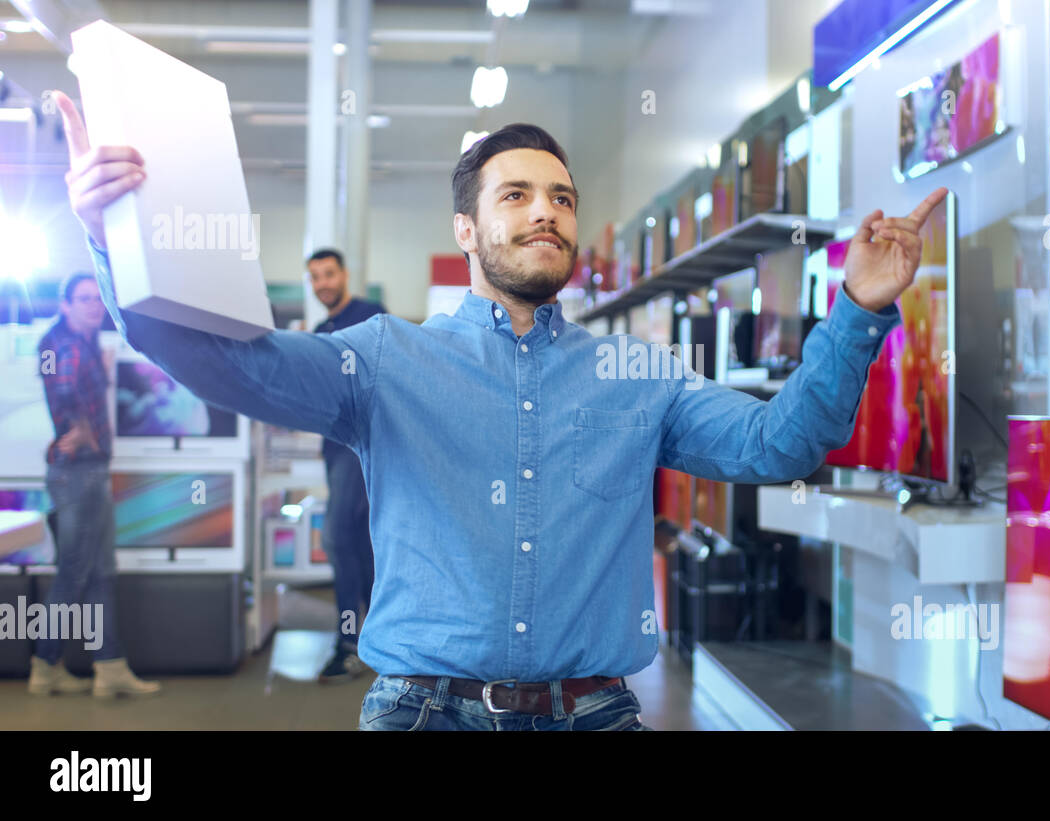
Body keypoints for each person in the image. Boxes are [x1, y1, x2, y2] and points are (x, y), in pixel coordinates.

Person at [52, 90, 944, 730]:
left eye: (560, 197)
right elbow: (223, 362)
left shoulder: (639, 372)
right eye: (515, 195)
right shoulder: (383, 358)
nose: (545, 212)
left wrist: (860, 309)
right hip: (422, 712)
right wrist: (112, 240)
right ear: (468, 231)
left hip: (594, 711)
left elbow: (780, 443)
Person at [28, 271, 161, 698]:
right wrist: (79, 427)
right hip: (79, 472)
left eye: (96, 298)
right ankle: (44, 668)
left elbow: (72, 384)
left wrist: (100, 375)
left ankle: (110, 668)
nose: (93, 305)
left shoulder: (75, 342)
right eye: (82, 299)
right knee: (74, 574)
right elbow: (65, 389)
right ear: (65, 305)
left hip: (88, 471)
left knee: (102, 572)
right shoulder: (67, 344)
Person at [306, 248, 386, 682]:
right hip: (336, 448)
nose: (323, 283)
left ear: (345, 274)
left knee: (336, 538)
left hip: (363, 445)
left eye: (329, 274)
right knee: (355, 542)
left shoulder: (370, 314)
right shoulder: (320, 331)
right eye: (315, 277)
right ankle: (374, 639)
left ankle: (349, 642)